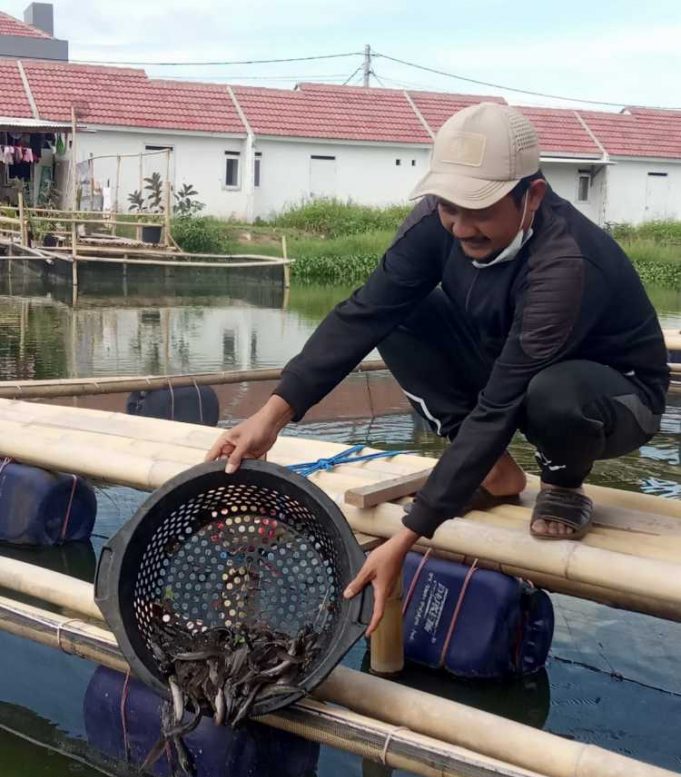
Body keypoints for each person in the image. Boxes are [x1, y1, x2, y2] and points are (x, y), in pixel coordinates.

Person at [206, 102, 669, 635]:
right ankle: (494, 473)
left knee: (551, 395)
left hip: (618, 393)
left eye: (480, 209)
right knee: (399, 317)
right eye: (450, 206)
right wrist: (272, 414)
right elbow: (364, 314)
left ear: (532, 197)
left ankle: (564, 484)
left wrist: (410, 533)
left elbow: (502, 403)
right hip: (511, 357)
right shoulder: (436, 223)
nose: (461, 226)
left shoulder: (564, 265)